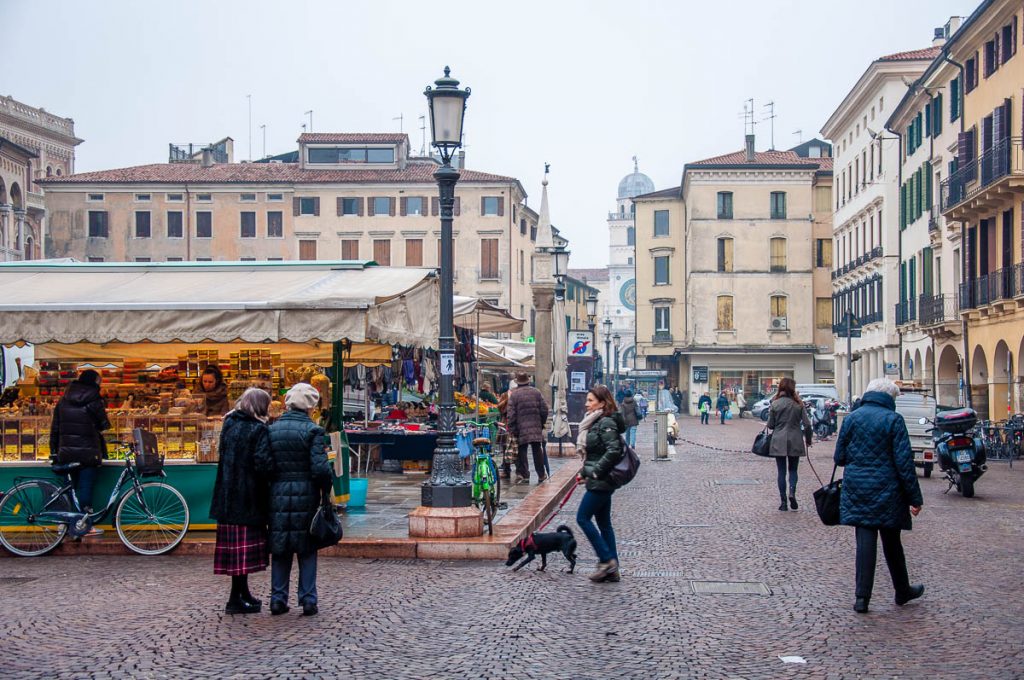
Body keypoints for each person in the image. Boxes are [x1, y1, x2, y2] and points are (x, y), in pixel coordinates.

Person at [835, 377, 924, 614]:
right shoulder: (894, 420)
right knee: (892, 543)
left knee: (865, 543)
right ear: (889, 398)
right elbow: (904, 463)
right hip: (888, 490)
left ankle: (862, 598)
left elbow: (839, 457)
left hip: (858, 488)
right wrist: (915, 498)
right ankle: (902, 590)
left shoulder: (852, 418)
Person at [264, 383, 332, 617]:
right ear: (310, 407)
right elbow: (321, 469)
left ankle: (277, 599)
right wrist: (325, 493)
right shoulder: (313, 431)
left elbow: (264, 464)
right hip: (307, 492)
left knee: (280, 546)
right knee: (307, 547)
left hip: (278, 492)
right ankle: (308, 599)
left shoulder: (272, 430)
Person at [210, 387, 273, 615]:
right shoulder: (259, 429)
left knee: (235, 553)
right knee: (242, 553)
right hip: (248, 498)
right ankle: (235, 599)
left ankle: (241, 594)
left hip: (226, 497)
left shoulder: (229, 424)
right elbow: (263, 465)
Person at [50, 369, 110, 535]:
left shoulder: (63, 400)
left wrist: (53, 451)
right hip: (88, 451)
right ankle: (84, 525)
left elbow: (55, 428)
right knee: (85, 487)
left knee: (67, 488)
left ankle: (62, 523)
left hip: (66, 451)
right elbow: (104, 425)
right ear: (95, 382)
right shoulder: (95, 400)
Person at [575, 384, 625, 583]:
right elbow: (596, 454)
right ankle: (613, 569)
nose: (586, 404)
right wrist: (584, 472)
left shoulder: (605, 422)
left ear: (602, 403)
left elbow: (613, 450)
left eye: (590, 401)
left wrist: (595, 471)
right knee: (604, 524)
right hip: (598, 479)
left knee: (582, 518)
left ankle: (606, 560)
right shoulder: (596, 422)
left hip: (601, 480)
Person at [767, 378, 812, 512]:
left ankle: (783, 502)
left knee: (781, 471)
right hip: (795, 438)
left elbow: (770, 425)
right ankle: (792, 492)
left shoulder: (775, 404)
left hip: (779, 439)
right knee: (793, 470)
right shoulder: (798, 404)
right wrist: (808, 439)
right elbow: (807, 424)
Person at [506, 372, 549, 484]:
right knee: (537, 450)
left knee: (522, 451)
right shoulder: (536, 392)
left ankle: (525, 474)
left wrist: (512, 428)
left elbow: (511, 414)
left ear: (518, 382)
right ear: (528, 381)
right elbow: (545, 410)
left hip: (521, 429)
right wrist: (541, 423)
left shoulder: (514, 395)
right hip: (535, 427)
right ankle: (541, 474)